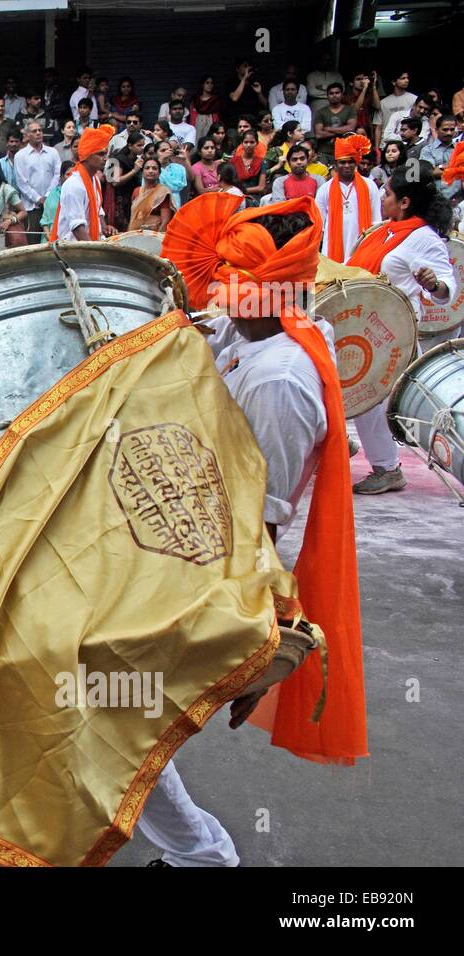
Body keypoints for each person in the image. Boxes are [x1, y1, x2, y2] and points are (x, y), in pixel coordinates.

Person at [149, 193, 367, 864]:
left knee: (117, 706)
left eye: (236, 282)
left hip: (201, 568)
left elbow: (259, 527)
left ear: (277, 289)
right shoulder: (267, 326)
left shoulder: (279, 381)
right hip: (170, 527)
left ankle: (202, 857)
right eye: (222, 274)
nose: (222, 291)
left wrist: (252, 653)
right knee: (110, 705)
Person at [347, 160, 459, 494]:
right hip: (362, 323)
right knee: (342, 389)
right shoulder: (383, 231)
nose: (382, 199)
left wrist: (433, 283)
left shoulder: (425, 239)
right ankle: (334, 442)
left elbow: (446, 291)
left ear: (405, 202)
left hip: (392, 329)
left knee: (369, 399)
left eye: (388, 194)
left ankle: (387, 468)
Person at [317, 135, 381, 263]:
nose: (346, 165)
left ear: (356, 162)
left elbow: (376, 221)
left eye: (350, 161)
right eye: (342, 162)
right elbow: (319, 224)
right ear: (335, 164)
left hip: (362, 244)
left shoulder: (369, 185)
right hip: (332, 247)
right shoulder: (325, 189)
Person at [51, 125, 115, 242]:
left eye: (106, 154)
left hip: (88, 245)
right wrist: (95, 252)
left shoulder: (95, 180)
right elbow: (77, 228)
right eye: (101, 154)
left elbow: (97, 210)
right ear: (87, 156)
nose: (105, 158)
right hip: (72, 249)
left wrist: (105, 228)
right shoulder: (74, 185)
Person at [14, 122, 62, 237]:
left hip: (52, 204)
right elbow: (21, 182)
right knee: (33, 241)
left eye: (40, 130)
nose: (38, 133)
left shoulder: (53, 152)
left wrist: (48, 196)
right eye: (34, 131)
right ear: (27, 135)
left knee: (54, 237)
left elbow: (58, 175)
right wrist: (38, 199)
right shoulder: (20, 155)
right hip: (31, 207)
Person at [312, 83, 357, 165]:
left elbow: (351, 129)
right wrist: (342, 131)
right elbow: (319, 134)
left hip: (345, 152)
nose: (334, 95)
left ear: (342, 94)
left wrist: (329, 129)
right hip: (324, 153)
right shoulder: (321, 112)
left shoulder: (350, 110)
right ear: (327, 96)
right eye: (331, 93)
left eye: (337, 93)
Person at [128, 158, 173, 232]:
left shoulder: (163, 192)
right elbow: (133, 218)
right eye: (147, 168)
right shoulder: (136, 191)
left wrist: (158, 240)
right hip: (136, 234)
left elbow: (165, 221)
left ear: (159, 173)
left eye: (154, 168)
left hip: (154, 234)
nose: (150, 171)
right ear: (142, 172)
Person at [376, 71, 416, 145]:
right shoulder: (383, 102)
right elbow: (378, 127)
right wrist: (376, 148)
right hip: (386, 143)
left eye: (407, 78)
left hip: (406, 144)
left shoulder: (414, 99)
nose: (407, 80)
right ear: (394, 82)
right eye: (403, 78)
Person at [232, 129, 268, 205]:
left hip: (255, 197)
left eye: (252, 142)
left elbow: (261, 188)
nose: (249, 145)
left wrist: (242, 190)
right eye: (246, 142)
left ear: (257, 143)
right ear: (241, 143)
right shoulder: (234, 161)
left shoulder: (262, 162)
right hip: (235, 195)